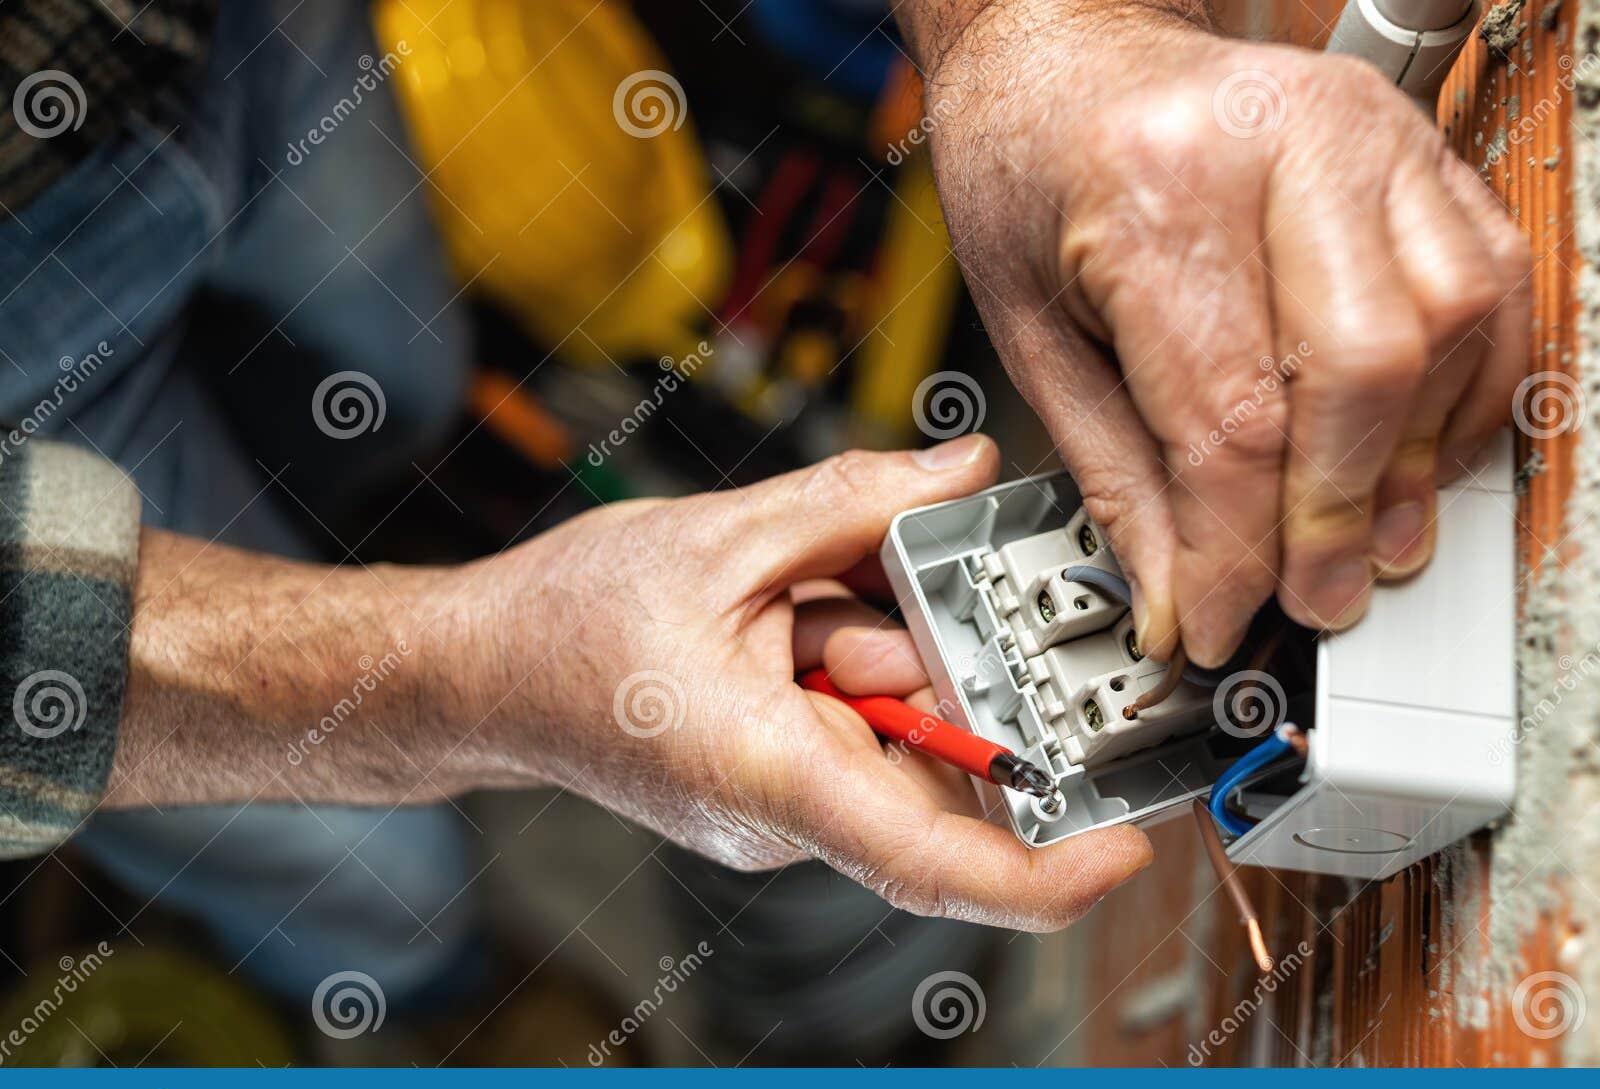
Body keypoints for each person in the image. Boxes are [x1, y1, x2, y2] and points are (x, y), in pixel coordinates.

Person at [0, 0, 1527, 1007]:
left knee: (386, 379)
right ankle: (438, 994)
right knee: (352, 868)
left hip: (228, 39)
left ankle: (352, 505)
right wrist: (455, 670)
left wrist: (1022, 34)